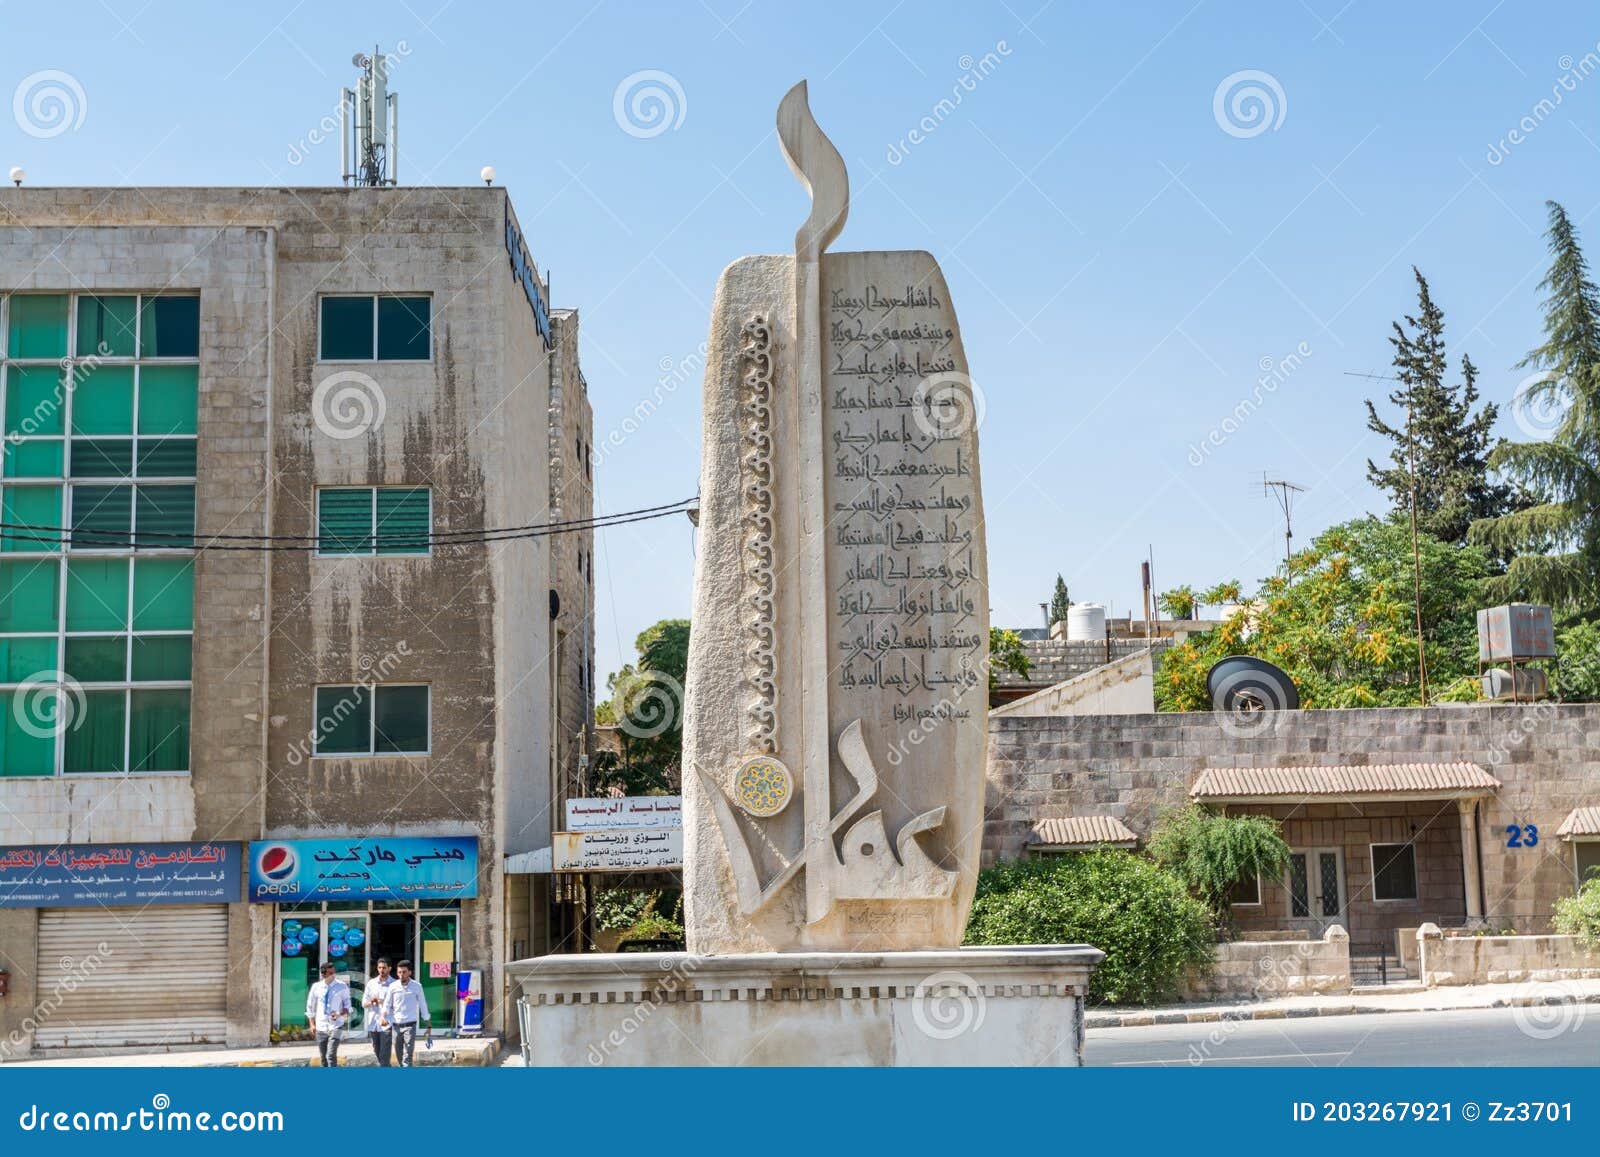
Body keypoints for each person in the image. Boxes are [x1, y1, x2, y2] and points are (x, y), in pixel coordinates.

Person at [379, 959, 432, 1067]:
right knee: (399, 1054)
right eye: (399, 972)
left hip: (410, 1025)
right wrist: (383, 1016)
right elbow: (387, 1004)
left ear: (410, 972)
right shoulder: (393, 986)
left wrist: (428, 1023)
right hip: (396, 1025)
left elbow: (423, 1005)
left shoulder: (417, 986)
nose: (401, 975)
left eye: (404, 972)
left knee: (407, 1055)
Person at [305, 962, 351, 1069]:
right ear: (323, 974)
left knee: (331, 1055)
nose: (333, 975)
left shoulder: (342, 986)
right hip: (321, 1026)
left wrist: (339, 1013)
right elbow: (310, 1006)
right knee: (323, 1057)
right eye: (330, 973)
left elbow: (348, 1007)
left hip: (336, 1025)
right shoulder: (316, 987)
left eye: (334, 972)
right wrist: (312, 1024)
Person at [362, 957, 398, 1067]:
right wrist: (372, 1001)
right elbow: (363, 1004)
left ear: (389, 968)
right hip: (373, 1023)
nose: (381, 970)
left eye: (384, 968)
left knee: (384, 1054)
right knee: (377, 1052)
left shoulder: (395, 984)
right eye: (379, 968)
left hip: (387, 1023)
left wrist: (383, 1002)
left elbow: (398, 1006)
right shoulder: (371, 983)